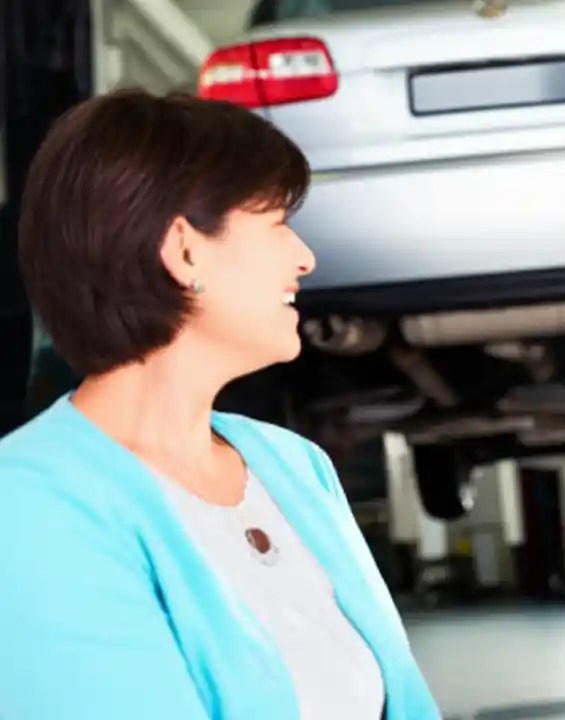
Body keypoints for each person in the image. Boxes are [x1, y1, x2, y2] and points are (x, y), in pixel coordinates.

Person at [0, 89, 440, 720]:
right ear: (185, 251)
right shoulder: (28, 506)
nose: (305, 257)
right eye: (277, 224)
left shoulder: (293, 466)